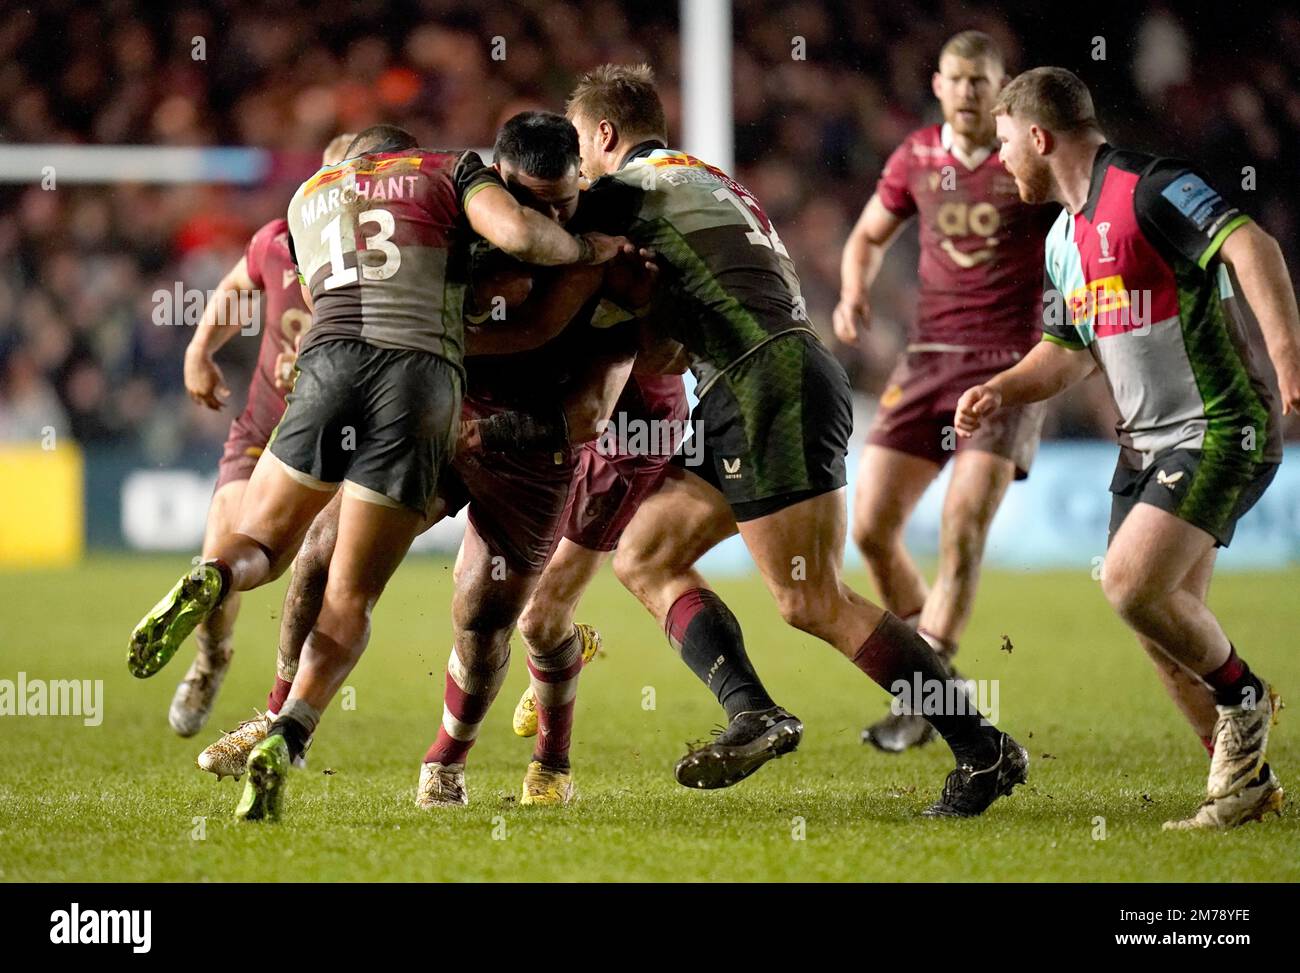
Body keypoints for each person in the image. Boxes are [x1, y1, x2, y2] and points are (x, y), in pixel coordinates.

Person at [556, 64, 1027, 816]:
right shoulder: (711, 179)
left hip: (764, 381)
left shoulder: (624, 193)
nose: (578, 162)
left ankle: (982, 747)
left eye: (580, 144)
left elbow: (548, 246)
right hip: (761, 376)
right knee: (645, 554)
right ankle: (753, 710)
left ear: (605, 134)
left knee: (810, 598)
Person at [128, 123, 633, 821]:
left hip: (527, 454)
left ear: (581, 182)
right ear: (501, 179)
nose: (547, 215)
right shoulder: (466, 203)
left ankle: (453, 760)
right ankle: (279, 720)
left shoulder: (607, 248)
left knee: (481, 618)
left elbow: (588, 409)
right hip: (435, 409)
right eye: (529, 200)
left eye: (561, 202)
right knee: (320, 555)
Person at [960, 66, 1295, 829]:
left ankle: (1245, 696)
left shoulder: (1150, 187)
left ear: (1039, 138)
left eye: (1005, 143)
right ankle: (1242, 785)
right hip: (1145, 446)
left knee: (1129, 584)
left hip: (1221, 425)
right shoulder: (1060, 240)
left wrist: (1289, 356)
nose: (1000, 159)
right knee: (1161, 629)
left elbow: (1255, 248)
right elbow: (1068, 352)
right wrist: (1001, 389)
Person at [833, 32, 1054, 752]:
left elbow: (1084, 219)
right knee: (868, 529)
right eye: (956, 79)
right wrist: (852, 292)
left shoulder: (1027, 161)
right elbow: (867, 236)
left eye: (980, 81)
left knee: (962, 525)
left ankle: (926, 695)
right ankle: (935, 671)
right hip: (925, 361)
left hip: (1006, 368)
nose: (967, 92)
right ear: (938, 84)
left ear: (1002, 86)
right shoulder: (916, 157)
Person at [168, 134, 353, 739]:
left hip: (343, 439)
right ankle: (212, 657)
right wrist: (200, 349)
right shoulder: (278, 241)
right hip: (264, 430)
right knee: (218, 557)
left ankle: (284, 715)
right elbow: (237, 285)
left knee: (322, 579)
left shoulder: (383, 258)